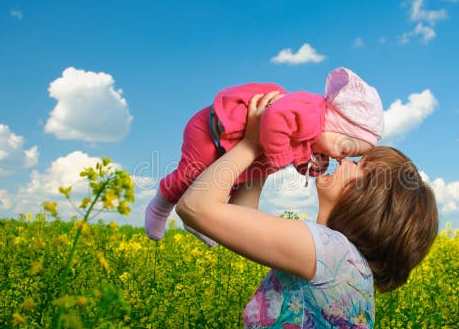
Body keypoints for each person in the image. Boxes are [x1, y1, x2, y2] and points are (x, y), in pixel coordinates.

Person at [176, 91, 438, 329]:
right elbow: (239, 219)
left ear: (373, 201)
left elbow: (195, 208)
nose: (344, 160)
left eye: (359, 166)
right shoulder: (340, 263)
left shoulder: (331, 253)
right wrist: (267, 152)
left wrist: (252, 143)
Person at [145, 67, 385, 246]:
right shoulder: (311, 112)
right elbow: (274, 116)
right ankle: (159, 208)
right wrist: (277, 156)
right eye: (344, 150)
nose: (339, 159)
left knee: (226, 184)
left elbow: (298, 160)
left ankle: (200, 222)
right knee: (190, 176)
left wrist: (312, 168)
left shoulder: (313, 135)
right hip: (211, 132)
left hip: (236, 147)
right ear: (335, 122)